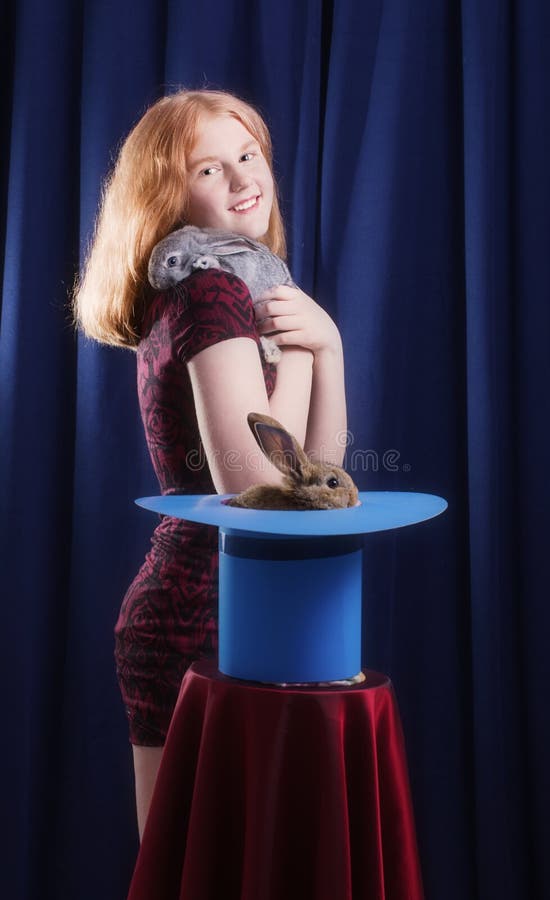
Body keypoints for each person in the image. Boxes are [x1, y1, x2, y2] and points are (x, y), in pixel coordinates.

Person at [73, 88, 347, 838]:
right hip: (202, 617)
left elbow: (321, 483)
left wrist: (329, 349)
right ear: (169, 195)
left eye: (248, 156)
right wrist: (300, 350)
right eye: (209, 169)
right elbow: (258, 482)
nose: (241, 179)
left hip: (258, 611)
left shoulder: (244, 286)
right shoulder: (210, 288)